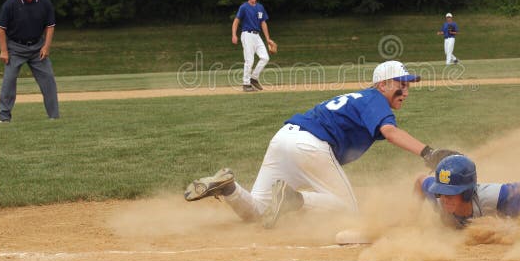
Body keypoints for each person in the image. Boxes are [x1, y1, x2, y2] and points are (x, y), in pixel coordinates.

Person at [184, 60, 453, 228]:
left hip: (284, 139)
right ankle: (294, 199)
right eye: (400, 84)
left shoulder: (360, 98)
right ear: (382, 85)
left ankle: (228, 188)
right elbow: (390, 132)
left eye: (408, 86)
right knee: (347, 209)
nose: (405, 91)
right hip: (309, 145)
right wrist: (428, 152)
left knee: (258, 212)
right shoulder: (374, 99)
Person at [417, 88, 520, 228]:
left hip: (515, 200)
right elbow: (420, 181)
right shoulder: (437, 198)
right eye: (441, 192)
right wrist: (415, 213)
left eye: (450, 194)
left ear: (467, 193)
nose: (444, 198)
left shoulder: (493, 198)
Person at [0, 0, 60, 123]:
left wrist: (46, 47)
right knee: (9, 80)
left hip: (38, 47)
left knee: (48, 79)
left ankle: (54, 116)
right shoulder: (11, 3)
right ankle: (4, 116)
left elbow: (50, 26)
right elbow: (0, 28)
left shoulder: (44, 1)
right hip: (15, 48)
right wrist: (4, 50)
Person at [231, 0, 275, 92]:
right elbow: (236, 21)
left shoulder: (260, 7)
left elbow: (263, 23)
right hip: (247, 35)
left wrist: (268, 38)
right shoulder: (244, 7)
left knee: (265, 58)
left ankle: (253, 78)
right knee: (249, 60)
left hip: (257, 35)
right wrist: (234, 35)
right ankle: (246, 84)